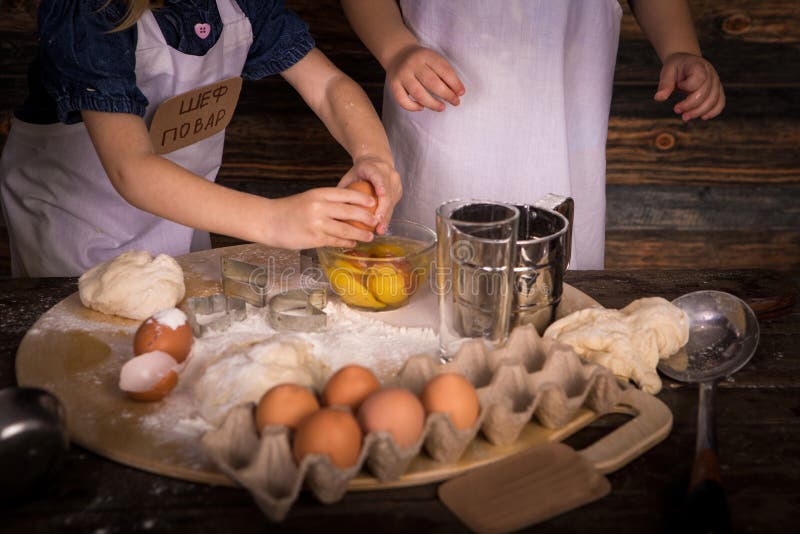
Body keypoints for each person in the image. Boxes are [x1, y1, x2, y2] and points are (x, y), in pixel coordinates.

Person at [0, 0, 402, 277]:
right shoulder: (91, 11)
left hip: (186, 210)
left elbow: (329, 85)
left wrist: (374, 157)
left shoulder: (239, 5)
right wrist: (273, 220)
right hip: (77, 225)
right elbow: (131, 169)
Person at [341, 0, 725, 269]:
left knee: (560, 292)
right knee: (432, 286)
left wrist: (680, 48)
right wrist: (396, 48)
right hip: (438, 125)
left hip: (561, 137)